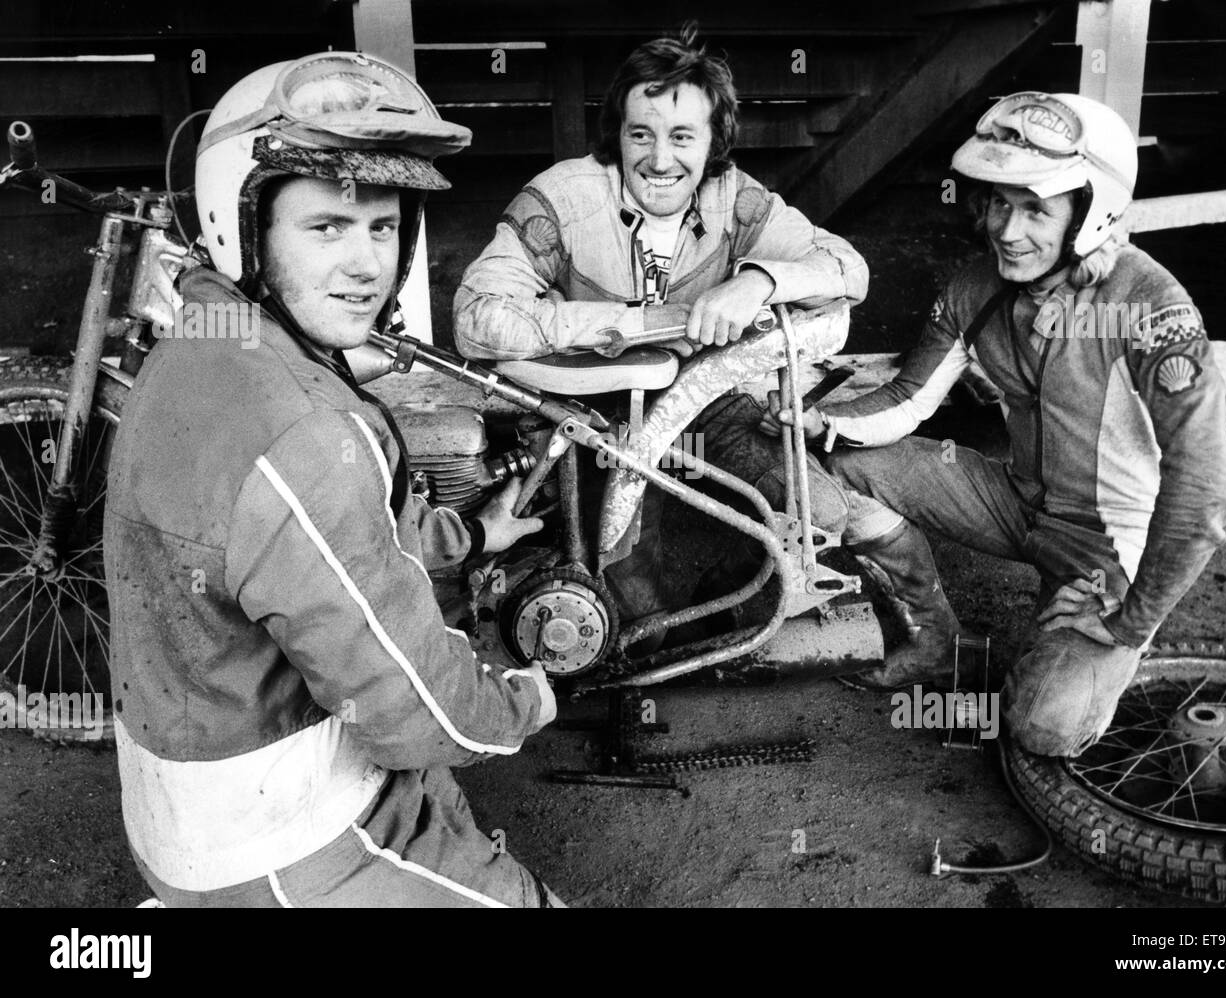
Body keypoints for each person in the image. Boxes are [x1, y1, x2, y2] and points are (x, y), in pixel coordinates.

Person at [104, 52, 561, 907]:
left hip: (197, 802)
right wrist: (529, 697)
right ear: (242, 224)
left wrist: (469, 536)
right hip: (288, 841)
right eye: (327, 228)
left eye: (383, 227)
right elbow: (423, 710)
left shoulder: (202, 342)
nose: (367, 265)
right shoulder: (307, 427)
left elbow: (329, 534)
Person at [765, 91, 1226, 757]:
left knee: (1042, 728)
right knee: (834, 464)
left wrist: (1131, 621)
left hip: (1105, 544)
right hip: (1016, 500)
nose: (1005, 229)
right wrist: (812, 420)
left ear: (1090, 209)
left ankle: (1072, 662)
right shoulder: (976, 283)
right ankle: (939, 641)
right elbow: (907, 402)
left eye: (1034, 209)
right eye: (996, 201)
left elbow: (1212, 490)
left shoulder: (1151, 306)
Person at [453, 26, 868, 626]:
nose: (659, 158)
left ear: (713, 141)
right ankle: (653, 619)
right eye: (640, 134)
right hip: (592, 419)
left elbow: (848, 268)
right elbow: (477, 318)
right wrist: (644, 323)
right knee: (627, 604)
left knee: (817, 511)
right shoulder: (562, 198)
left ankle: (710, 615)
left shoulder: (736, 199)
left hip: (700, 408)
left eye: (681, 137)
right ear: (617, 133)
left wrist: (758, 282)